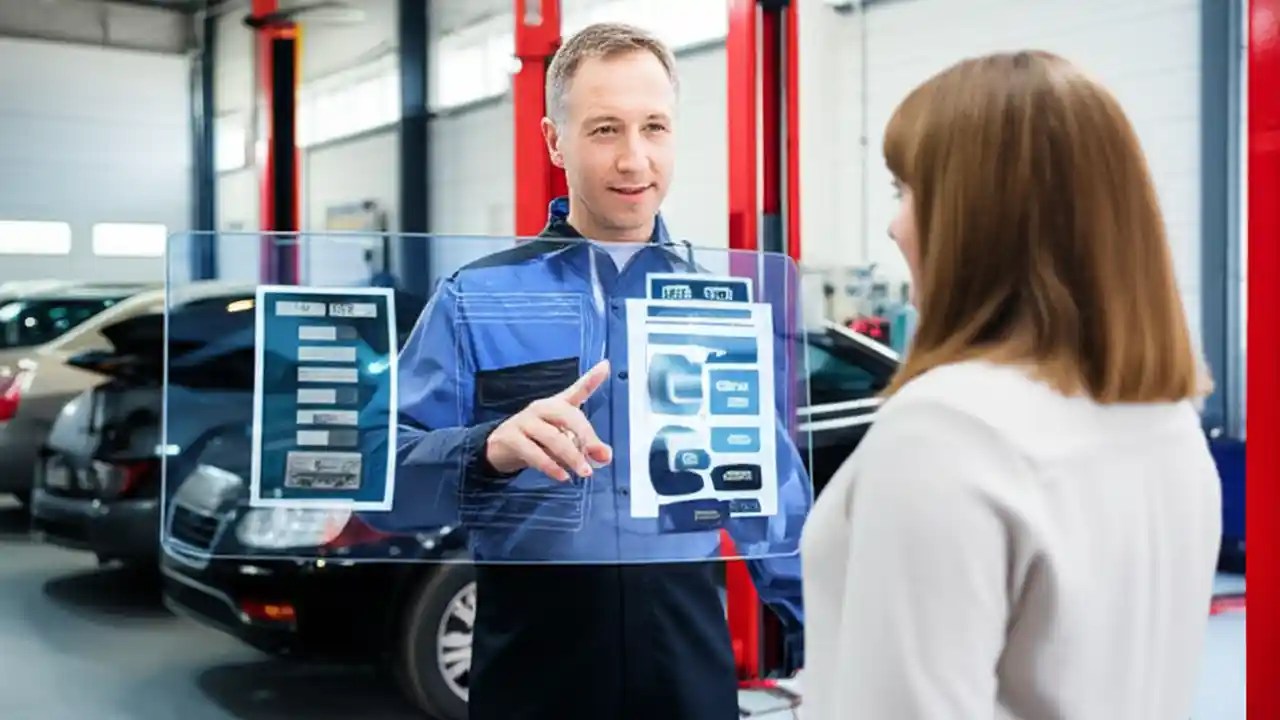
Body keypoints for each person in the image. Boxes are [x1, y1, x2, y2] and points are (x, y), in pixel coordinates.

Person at [369, 23, 810, 720]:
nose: (635, 159)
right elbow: (378, 476)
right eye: (605, 129)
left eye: (654, 128)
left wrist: (834, 640)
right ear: (555, 141)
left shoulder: (714, 308)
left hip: (687, 668)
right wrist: (486, 448)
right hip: (535, 668)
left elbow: (777, 511)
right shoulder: (476, 299)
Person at [798, 50, 1222, 719]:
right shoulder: (1166, 421)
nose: (894, 224)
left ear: (978, 217)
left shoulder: (946, 429)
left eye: (905, 192)